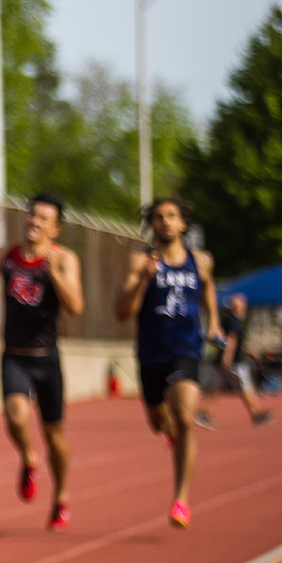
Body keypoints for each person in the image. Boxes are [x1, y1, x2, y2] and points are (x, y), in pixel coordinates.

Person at [0, 195, 85, 531]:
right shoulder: (6, 256)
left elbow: (76, 306)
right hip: (15, 357)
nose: (34, 222)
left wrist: (54, 273)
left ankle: (61, 497)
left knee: (54, 435)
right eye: (31, 216)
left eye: (42, 219)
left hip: (46, 359)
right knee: (15, 417)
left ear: (55, 228)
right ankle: (28, 458)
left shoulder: (64, 259)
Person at [115, 197, 219, 529]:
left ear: (183, 223)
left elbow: (208, 288)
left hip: (186, 350)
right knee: (159, 422)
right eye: (159, 217)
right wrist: (144, 279)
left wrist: (214, 321)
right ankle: (171, 432)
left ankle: (182, 500)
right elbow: (122, 312)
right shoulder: (139, 261)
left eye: (172, 216)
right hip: (150, 355)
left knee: (185, 416)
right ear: (152, 224)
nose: (166, 223)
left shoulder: (200, 261)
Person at [201, 293, 271, 427]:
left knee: (218, 386)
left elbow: (233, 342)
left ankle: (204, 413)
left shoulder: (230, 320)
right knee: (245, 386)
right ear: (235, 306)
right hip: (234, 362)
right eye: (241, 305)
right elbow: (231, 341)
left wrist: (248, 352)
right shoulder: (232, 321)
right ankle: (256, 414)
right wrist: (227, 359)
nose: (244, 308)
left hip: (231, 360)